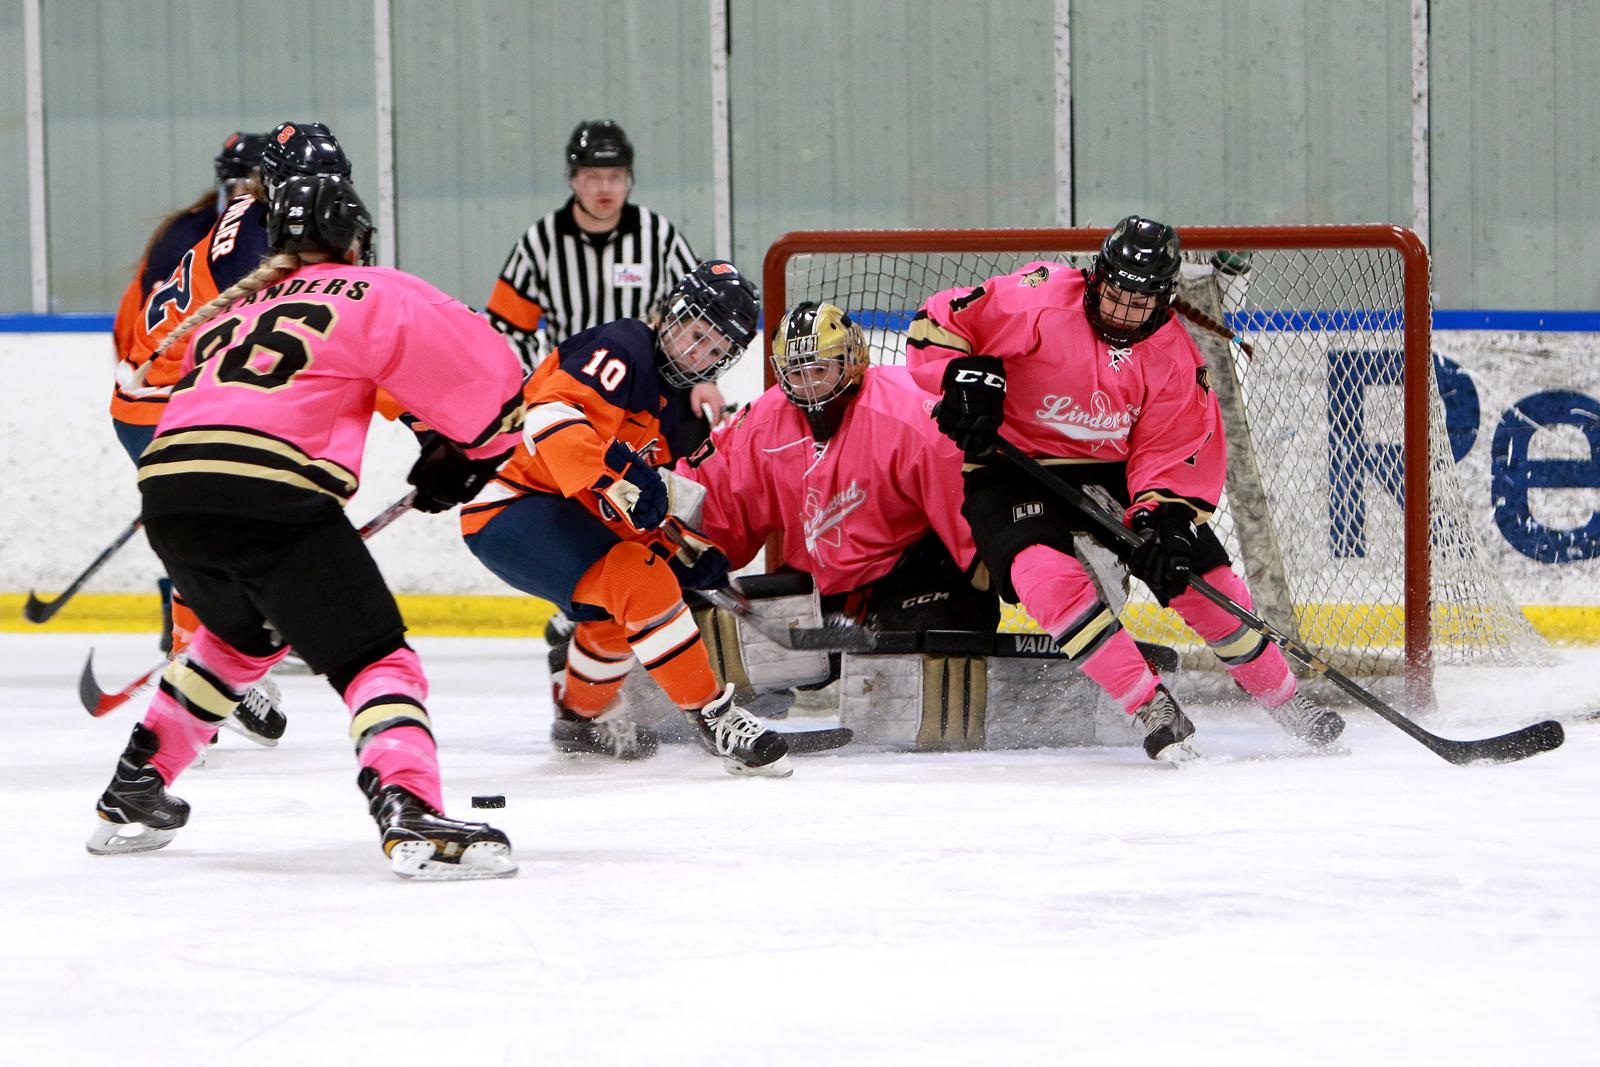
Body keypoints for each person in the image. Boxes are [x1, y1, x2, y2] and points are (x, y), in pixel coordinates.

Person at [86, 171, 527, 880]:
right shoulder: (375, 288)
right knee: (377, 657)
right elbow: (494, 379)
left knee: (236, 639)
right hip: (271, 496)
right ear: (353, 237)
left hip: (169, 498)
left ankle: (136, 786)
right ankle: (409, 804)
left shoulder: (230, 312)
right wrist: (468, 457)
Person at [906, 215, 1347, 761]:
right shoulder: (1038, 296)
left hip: (1115, 470)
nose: (1123, 312)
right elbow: (944, 319)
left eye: (1140, 303)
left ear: (1164, 301)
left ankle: (1286, 701)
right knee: (1044, 577)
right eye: (1116, 294)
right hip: (1012, 466)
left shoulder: (1175, 356)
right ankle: (1150, 705)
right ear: (1096, 277)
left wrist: (1162, 520)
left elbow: (1171, 446)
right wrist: (963, 378)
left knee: (1206, 582)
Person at [461, 259, 794, 778]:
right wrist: (624, 476)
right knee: (638, 579)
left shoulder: (680, 413)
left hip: (564, 508)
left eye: (715, 349)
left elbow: (633, 506)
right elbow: (549, 417)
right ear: (674, 316)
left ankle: (580, 719)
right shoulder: (623, 348)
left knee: (625, 606)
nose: (697, 353)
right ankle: (715, 717)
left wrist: (682, 547)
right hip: (506, 501)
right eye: (695, 334)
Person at [106, 122, 355, 742]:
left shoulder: (251, 216)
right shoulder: (256, 237)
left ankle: (203, 662)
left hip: (155, 396)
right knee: (237, 525)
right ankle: (209, 664)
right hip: (168, 401)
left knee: (224, 533)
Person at [679, 300, 999, 636]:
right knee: (741, 641)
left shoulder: (907, 407)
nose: (810, 386)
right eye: (796, 374)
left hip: (917, 568)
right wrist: (677, 539)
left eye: (819, 370)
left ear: (852, 361)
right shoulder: (766, 420)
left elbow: (962, 494)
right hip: (826, 582)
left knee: (920, 650)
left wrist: (1000, 567)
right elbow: (717, 489)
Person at [110, 131, 267, 662]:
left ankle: (209, 636)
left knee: (209, 525)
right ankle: (205, 646)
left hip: (158, 394)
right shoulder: (204, 236)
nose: (246, 190)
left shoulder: (223, 230)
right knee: (216, 524)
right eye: (241, 181)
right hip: (169, 397)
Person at [485, 119, 723, 457]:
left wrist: (704, 378)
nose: (604, 188)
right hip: (572, 395)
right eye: (593, 177)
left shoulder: (657, 236)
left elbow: (704, 311)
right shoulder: (541, 242)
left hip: (650, 396)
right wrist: (527, 388)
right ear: (573, 179)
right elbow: (505, 328)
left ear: (630, 180)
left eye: (615, 177)